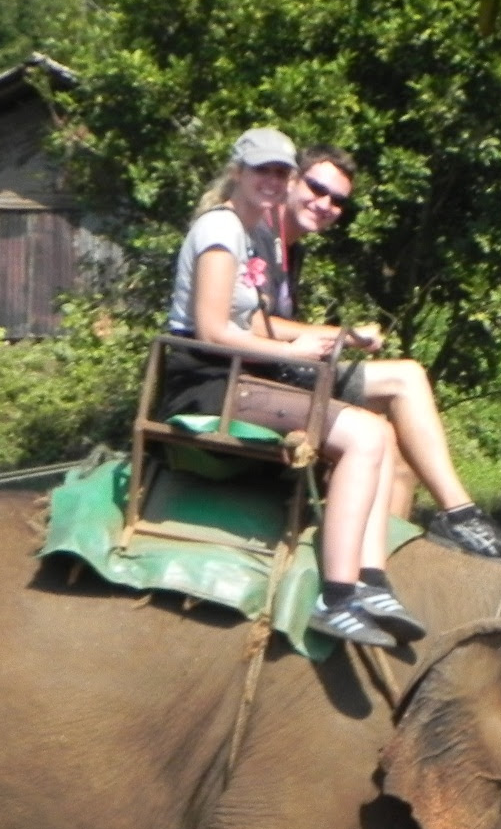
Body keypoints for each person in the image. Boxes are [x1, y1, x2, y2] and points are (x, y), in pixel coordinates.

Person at [164, 127, 422, 649]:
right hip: (208, 382)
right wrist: (294, 353)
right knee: (366, 437)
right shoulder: (221, 229)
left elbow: (254, 323)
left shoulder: (253, 233)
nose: (273, 181)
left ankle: (370, 581)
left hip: (236, 375)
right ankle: (337, 595)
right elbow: (213, 330)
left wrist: (319, 343)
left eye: (282, 172)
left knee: (378, 435)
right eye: (263, 170)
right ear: (237, 171)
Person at [250, 144, 501, 563]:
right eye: (317, 188)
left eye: (337, 199)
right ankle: (459, 513)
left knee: (399, 444)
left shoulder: (291, 248)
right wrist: (341, 333)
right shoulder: (259, 238)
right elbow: (252, 323)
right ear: (292, 181)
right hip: (258, 380)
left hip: (285, 369)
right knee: (406, 377)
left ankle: (385, 560)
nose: (325, 204)